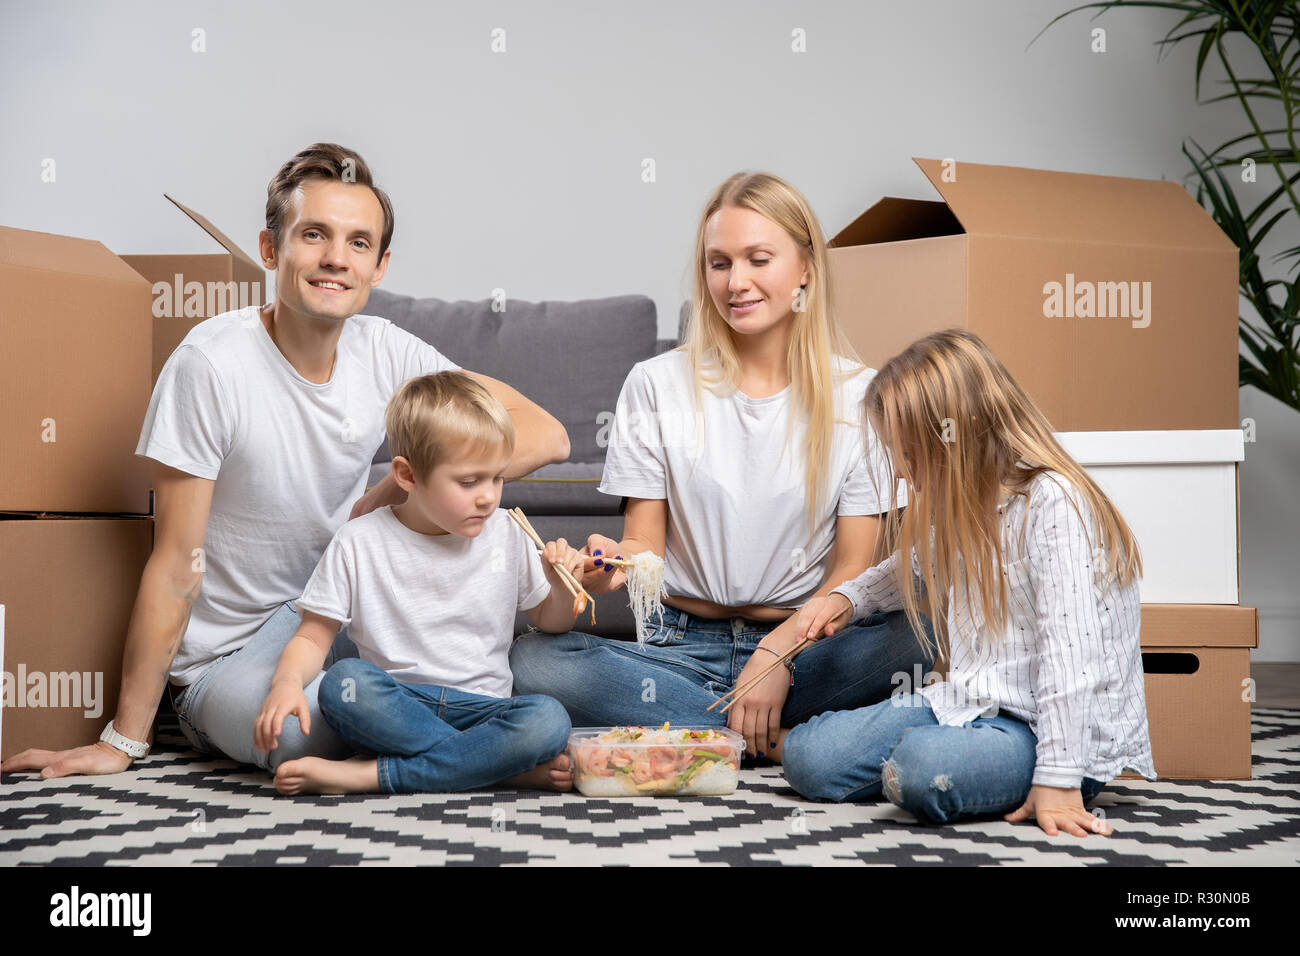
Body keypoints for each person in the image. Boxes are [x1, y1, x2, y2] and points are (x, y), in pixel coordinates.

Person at [2, 143, 569, 780]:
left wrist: (394, 491)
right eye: (315, 235)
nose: (336, 258)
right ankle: (497, 756)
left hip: (340, 619)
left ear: (380, 267)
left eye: (359, 243)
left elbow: (546, 434)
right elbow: (175, 565)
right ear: (272, 250)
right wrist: (123, 740)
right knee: (301, 736)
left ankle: (446, 755)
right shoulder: (210, 364)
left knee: (469, 683)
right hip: (231, 654)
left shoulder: (386, 350)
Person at [510, 171, 931, 760]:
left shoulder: (860, 397)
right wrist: (610, 562)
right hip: (677, 650)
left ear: (806, 269)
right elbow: (644, 549)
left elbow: (852, 575)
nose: (736, 282)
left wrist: (775, 655)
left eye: (759, 259)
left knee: (922, 629)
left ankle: (711, 732)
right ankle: (776, 740)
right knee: (535, 662)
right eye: (719, 263)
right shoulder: (656, 384)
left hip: (806, 649)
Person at [781, 329, 1157, 836]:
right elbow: (903, 573)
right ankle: (933, 765)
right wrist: (847, 598)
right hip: (972, 701)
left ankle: (961, 770)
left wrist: (1059, 778)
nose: (900, 473)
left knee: (919, 766)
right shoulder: (963, 505)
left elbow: (1074, 660)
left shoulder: (1054, 502)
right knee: (809, 756)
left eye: (909, 455)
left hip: (1052, 731)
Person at [255, 372, 580, 795]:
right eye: (468, 482)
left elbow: (550, 622)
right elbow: (314, 640)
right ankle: (496, 767)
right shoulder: (359, 541)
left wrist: (559, 585)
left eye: (497, 478)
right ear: (407, 476)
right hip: (397, 709)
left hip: (486, 712)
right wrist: (284, 685)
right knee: (343, 685)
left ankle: (369, 776)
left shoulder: (508, 532)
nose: (488, 497)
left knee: (549, 719)